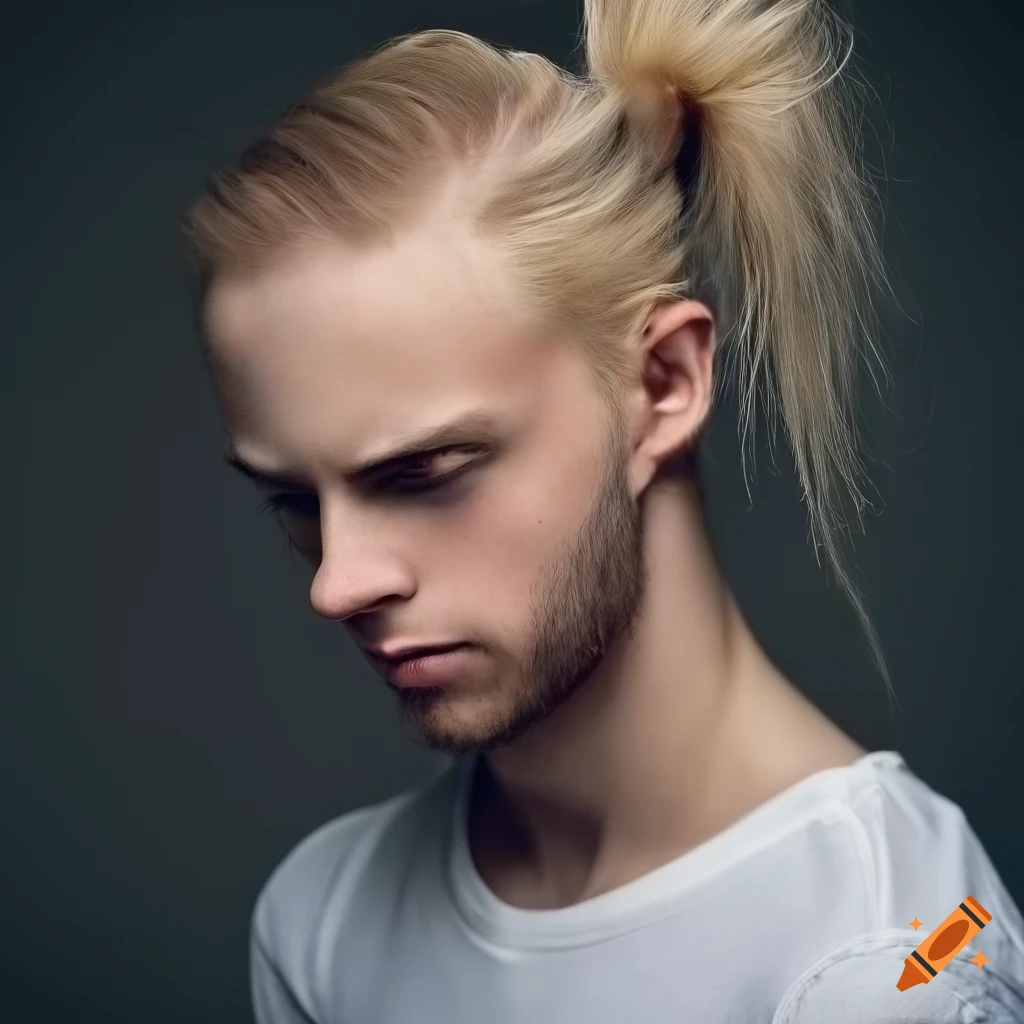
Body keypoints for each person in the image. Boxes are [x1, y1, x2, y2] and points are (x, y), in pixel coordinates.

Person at [180, 0, 1024, 1020]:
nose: (336, 581)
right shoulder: (322, 919)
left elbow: (927, 961)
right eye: (293, 500)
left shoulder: (893, 955)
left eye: (424, 471)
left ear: (663, 384)